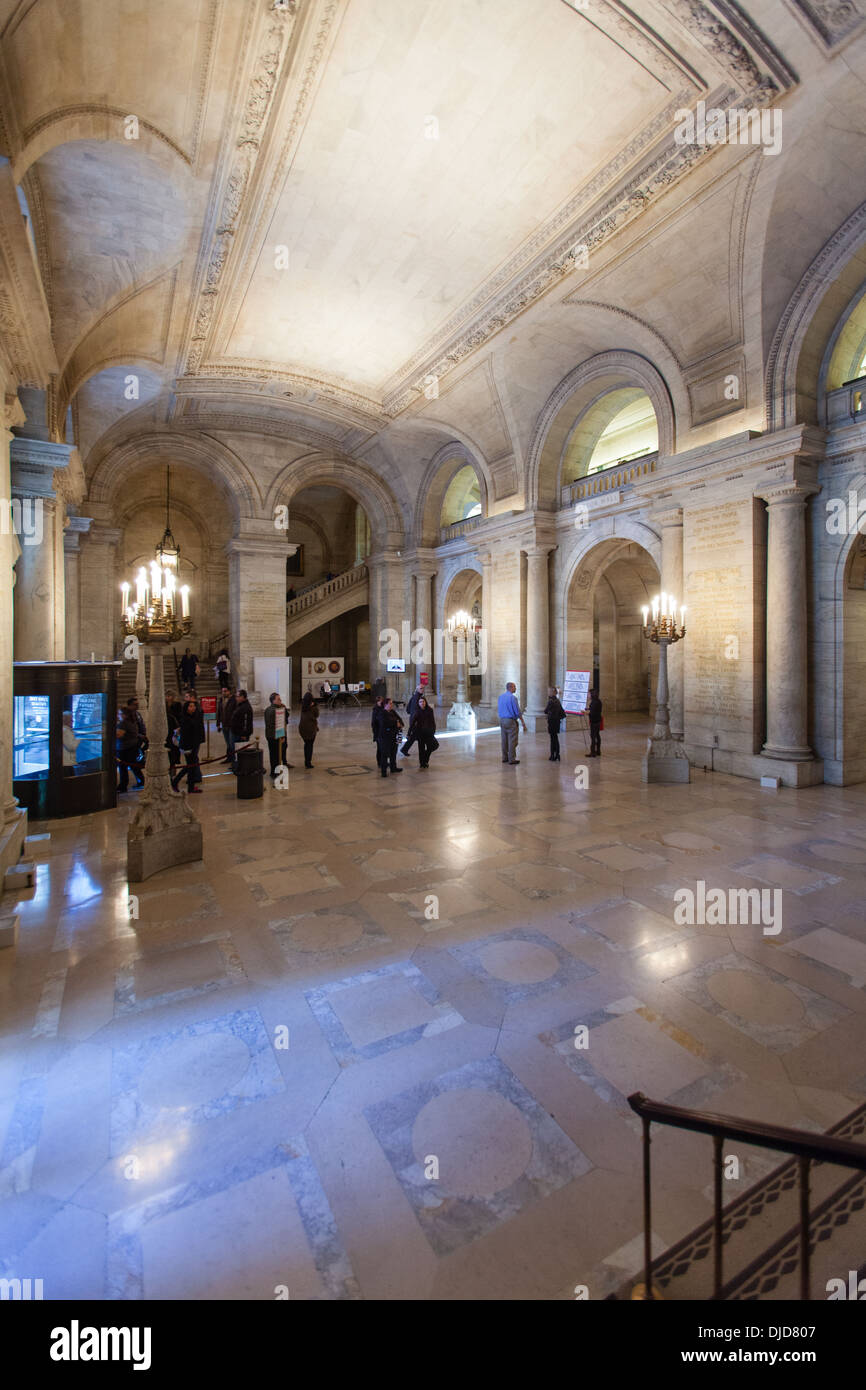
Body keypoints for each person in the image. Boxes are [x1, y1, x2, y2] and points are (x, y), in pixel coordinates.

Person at [171, 697, 204, 793]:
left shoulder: (193, 716)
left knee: (191, 767)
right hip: (188, 746)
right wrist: (187, 748)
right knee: (190, 766)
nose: (193, 708)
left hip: (193, 744)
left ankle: (191, 787)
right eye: (190, 706)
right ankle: (175, 781)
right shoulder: (185, 719)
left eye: (194, 706)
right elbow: (186, 735)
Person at [117, 703, 144, 791]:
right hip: (132, 746)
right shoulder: (132, 721)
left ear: (124, 715)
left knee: (124, 767)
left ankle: (123, 785)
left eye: (119, 714)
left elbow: (119, 735)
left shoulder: (123, 723)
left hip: (125, 748)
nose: (118, 715)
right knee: (133, 765)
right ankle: (141, 781)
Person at [497, 682, 526, 765]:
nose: (515, 688)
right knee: (512, 740)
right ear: (510, 687)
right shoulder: (513, 698)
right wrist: (522, 722)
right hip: (510, 721)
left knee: (504, 740)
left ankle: (504, 757)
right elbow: (517, 711)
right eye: (514, 687)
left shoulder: (501, 697)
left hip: (502, 720)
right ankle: (511, 759)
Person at [264, 691, 288, 777]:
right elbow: (279, 725)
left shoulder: (267, 709)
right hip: (276, 736)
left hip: (269, 735)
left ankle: (272, 772)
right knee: (278, 756)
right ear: (273, 701)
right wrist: (282, 736)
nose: (280, 700)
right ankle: (276, 773)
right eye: (278, 699)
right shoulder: (278, 710)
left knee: (272, 754)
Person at [377, 699, 403, 777]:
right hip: (385, 737)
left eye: (392, 703)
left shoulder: (392, 712)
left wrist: (397, 723)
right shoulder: (382, 713)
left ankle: (393, 767)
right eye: (390, 703)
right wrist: (395, 723)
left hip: (394, 735)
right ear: (385, 705)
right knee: (385, 754)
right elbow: (385, 724)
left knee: (393, 753)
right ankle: (384, 771)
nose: (392, 705)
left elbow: (400, 720)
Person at [409, 696, 437, 769]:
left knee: (432, 746)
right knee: (421, 749)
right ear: (418, 703)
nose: (422, 703)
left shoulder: (430, 710)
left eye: (423, 701)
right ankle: (422, 763)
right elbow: (413, 723)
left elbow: (432, 721)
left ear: (425, 702)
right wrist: (409, 732)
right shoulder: (417, 711)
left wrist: (433, 730)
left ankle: (425, 759)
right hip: (420, 733)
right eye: (420, 702)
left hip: (428, 732)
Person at [230, 689, 253, 772]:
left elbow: (246, 722)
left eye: (238, 696)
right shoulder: (240, 705)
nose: (236, 698)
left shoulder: (246, 707)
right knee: (235, 751)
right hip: (236, 732)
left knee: (240, 752)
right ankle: (235, 766)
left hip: (241, 734)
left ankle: (240, 768)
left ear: (243, 697)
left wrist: (244, 734)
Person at [400, 685, 423, 757]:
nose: (422, 689)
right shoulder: (419, 698)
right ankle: (404, 749)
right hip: (416, 720)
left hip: (414, 719)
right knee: (415, 736)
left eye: (423, 688)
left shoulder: (413, 697)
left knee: (414, 736)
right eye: (421, 688)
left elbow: (408, 710)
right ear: (417, 689)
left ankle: (404, 749)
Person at [298, 691, 319, 769]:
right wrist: (314, 705)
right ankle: (308, 762)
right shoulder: (313, 708)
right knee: (309, 745)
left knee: (306, 744)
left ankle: (307, 761)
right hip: (310, 729)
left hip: (302, 728)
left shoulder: (303, 706)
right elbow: (316, 715)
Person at [544, 687, 565, 762]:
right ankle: (557, 754)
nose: (548, 693)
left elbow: (545, 711)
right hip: (557, 721)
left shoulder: (551, 701)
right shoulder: (557, 701)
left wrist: (548, 712)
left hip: (552, 721)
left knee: (553, 739)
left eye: (549, 691)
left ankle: (553, 755)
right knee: (555, 738)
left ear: (553, 692)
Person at [165, 694, 181, 774]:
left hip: (169, 741)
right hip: (170, 741)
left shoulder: (170, 717)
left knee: (171, 758)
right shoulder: (170, 717)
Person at [219, 689, 237, 763]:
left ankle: (233, 760)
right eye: (222, 691)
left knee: (231, 743)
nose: (224, 692)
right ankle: (229, 758)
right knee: (228, 743)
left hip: (231, 725)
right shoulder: (221, 700)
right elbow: (219, 711)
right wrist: (218, 723)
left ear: (229, 691)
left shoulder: (234, 700)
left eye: (225, 691)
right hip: (224, 724)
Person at [62, 711, 79, 775]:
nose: (72, 721)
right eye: (71, 720)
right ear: (65, 720)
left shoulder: (65, 730)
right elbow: (71, 747)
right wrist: (79, 739)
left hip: (66, 763)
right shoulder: (66, 731)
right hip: (67, 763)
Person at [371, 695, 385, 769]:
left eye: (382, 701)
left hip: (383, 732)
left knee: (383, 748)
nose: (381, 703)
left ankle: (383, 761)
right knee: (379, 748)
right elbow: (373, 723)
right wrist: (375, 733)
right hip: (378, 733)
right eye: (380, 701)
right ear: (377, 702)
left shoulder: (383, 708)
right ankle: (380, 762)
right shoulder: (375, 710)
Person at [588, 687, 603, 758]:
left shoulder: (594, 702)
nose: (588, 695)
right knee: (597, 735)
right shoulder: (598, 701)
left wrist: (585, 712)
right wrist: (587, 709)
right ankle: (598, 751)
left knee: (593, 736)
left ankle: (593, 752)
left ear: (592, 694)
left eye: (589, 694)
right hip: (598, 720)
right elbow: (593, 709)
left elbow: (592, 712)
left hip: (594, 721)